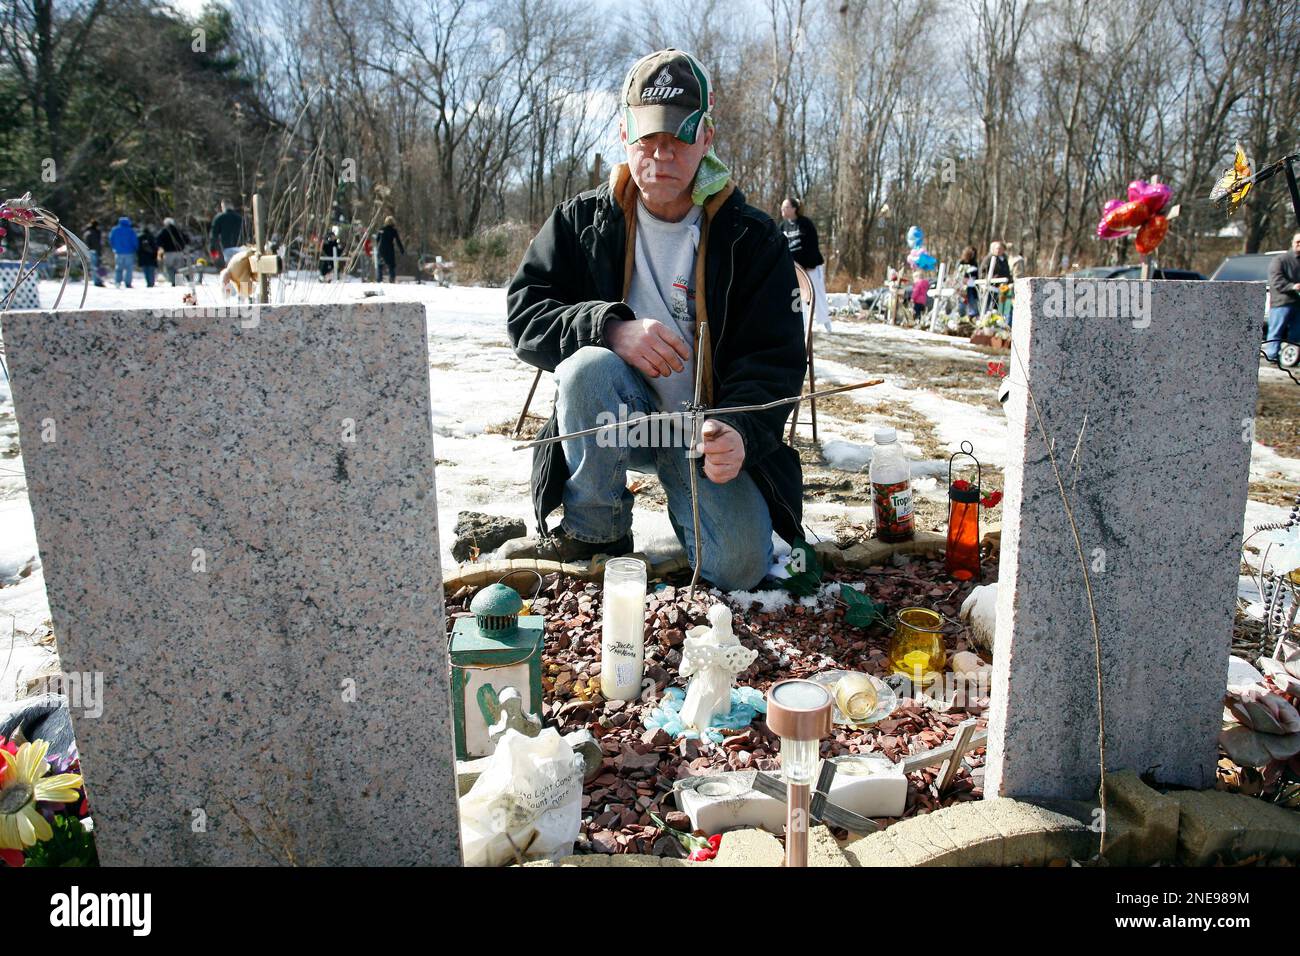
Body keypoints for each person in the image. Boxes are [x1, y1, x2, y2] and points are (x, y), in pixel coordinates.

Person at [505, 48, 805, 591]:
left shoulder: (753, 239)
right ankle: (596, 532)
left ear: (708, 138)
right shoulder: (582, 221)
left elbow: (776, 361)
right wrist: (611, 328)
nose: (662, 154)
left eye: (680, 136)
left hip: (704, 433)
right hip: (616, 419)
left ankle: (694, 505)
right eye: (648, 137)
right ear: (625, 133)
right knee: (586, 367)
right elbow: (525, 312)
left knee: (737, 569)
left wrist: (740, 428)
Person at [780, 197, 831, 332]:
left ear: (794, 209)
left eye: (786, 207)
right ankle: (800, 325)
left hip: (811, 266)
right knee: (797, 296)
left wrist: (809, 263)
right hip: (795, 269)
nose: (782, 210)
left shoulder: (805, 223)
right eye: (782, 207)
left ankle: (825, 322)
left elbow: (812, 244)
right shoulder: (782, 226)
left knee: (817, 294)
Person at [1265, 232, 1300, 362]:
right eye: (1298, 242)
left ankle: (1291, 358)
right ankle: (1272, 357)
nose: (1299, 245)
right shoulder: (1280, 260)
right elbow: (1276, 281)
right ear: (1292, 242)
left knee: (1296, 334)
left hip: (1298, 304)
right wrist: (1293, 286)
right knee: (1276, 332)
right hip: (1281, 303)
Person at [979, 240, 1012, 315]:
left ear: (1003, 250)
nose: (998, 250)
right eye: (997, 248)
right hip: (991, 286)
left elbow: (1007, 272)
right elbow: (982, 271)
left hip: (1003, 286)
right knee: (987, 306)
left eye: (1000, 248)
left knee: (1002, 307)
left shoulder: (1004, 259)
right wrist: (989, 278)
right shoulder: (989, 258)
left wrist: (1010, 281)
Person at [156, 217, 189, 286]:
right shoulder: (178, 230)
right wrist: (183, 246)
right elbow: (187, 239)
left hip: (168, 253)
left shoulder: (164, 231)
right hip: (179, 252)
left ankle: (173, 282)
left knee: (169, 267)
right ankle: (179, 282)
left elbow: (158, 240)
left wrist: (162, 247)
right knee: (179, 268)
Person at [108, 216, 138, 288]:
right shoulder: (131, 230)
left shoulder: (115, 230)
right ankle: (128, 283)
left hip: (118, 252)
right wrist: (135, 249)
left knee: (118, 268)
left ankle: (118, 282)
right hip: (129, 252)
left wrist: (114, 247)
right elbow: (134, 241)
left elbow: (111, 240)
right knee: (129, 269)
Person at [210, 201, 243, 265]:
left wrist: (215, 256)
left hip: (227, 249)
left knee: (229, 269)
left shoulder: (219, 218)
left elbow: (213, 238)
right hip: (241, 249)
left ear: (223, 206)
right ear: (232, 207)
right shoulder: (240, 218)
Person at [376, 215, 405, 283]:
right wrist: (402, 250)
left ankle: (379, 279)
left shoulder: (381, 229)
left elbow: (377, 239)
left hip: (381, 249)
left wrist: (378, 246)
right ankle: (392, 279)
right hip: (389, 249)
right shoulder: (393, 230)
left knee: (380, 265)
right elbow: (398, 241)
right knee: (391, 265)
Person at [957, 246, 979, 317]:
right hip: (962, 287)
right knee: (962, 303)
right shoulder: (961, 263)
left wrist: (969, 281)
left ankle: (973, 316)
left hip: (971, 287)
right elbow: (958, 274)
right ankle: (962, 316)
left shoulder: (974, 263)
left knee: (973, 303)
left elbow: (976, 276)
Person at [82, 219, 105, 287]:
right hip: (94, 251)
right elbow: (95, 243)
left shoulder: (89, 232)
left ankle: (99, 280)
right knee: (95, 267)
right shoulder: (92, 232)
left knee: (98, 266)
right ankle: (97, 281)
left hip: (95, 251)